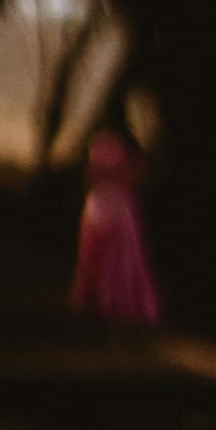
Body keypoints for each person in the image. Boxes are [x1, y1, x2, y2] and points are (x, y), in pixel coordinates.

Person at [71, 124, 163, 331]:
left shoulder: (97, 143)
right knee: (119, 256)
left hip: (101, 205)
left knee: (108, 255)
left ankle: (103, 303)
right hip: (115, 206)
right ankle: (114, 304)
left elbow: (90, 175)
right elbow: (135, 176)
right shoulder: (126, 147)